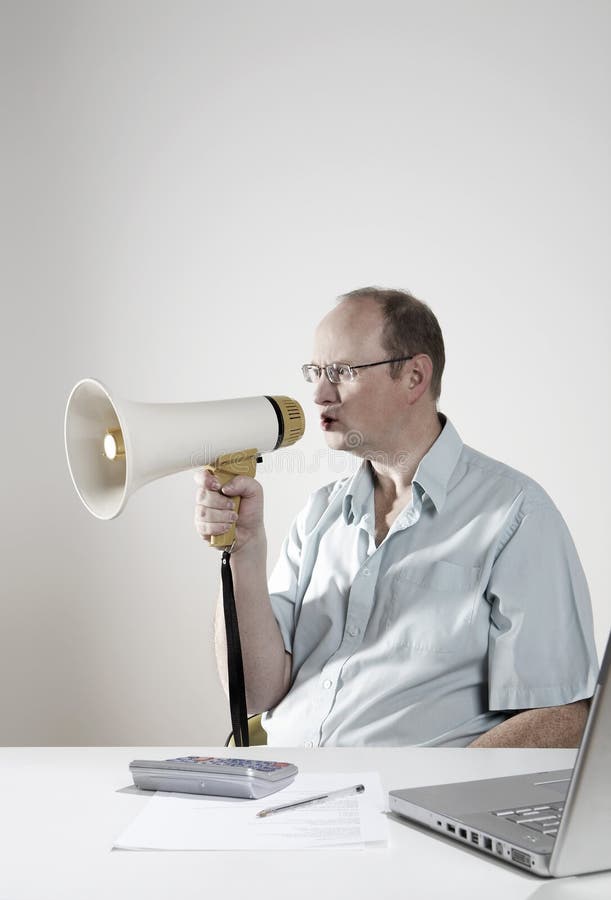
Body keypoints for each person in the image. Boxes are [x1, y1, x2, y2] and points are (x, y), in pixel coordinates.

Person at [194, 287, 598, 747]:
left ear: (413, 377)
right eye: (316, 372)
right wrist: (245, 551)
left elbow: (561, 715)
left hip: (407, 806)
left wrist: (431, 799)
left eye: (342, 371)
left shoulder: (516, 516)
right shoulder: (319, 515)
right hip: (282, 786)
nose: (320, 394)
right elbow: (254, 692)